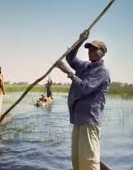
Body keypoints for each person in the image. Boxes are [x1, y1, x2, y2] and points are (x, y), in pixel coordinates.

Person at [56, 30, 111, 170]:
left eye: (95, 49)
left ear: (103, 52)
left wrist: (69, 73)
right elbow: (70, 58)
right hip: (78, 120)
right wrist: (80, 40)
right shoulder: (85, 66)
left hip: (89, 120)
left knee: (89, 161)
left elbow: (85, 88)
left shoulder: (102, 71)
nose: (91, 51)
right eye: (89, 49)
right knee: (77, 160)